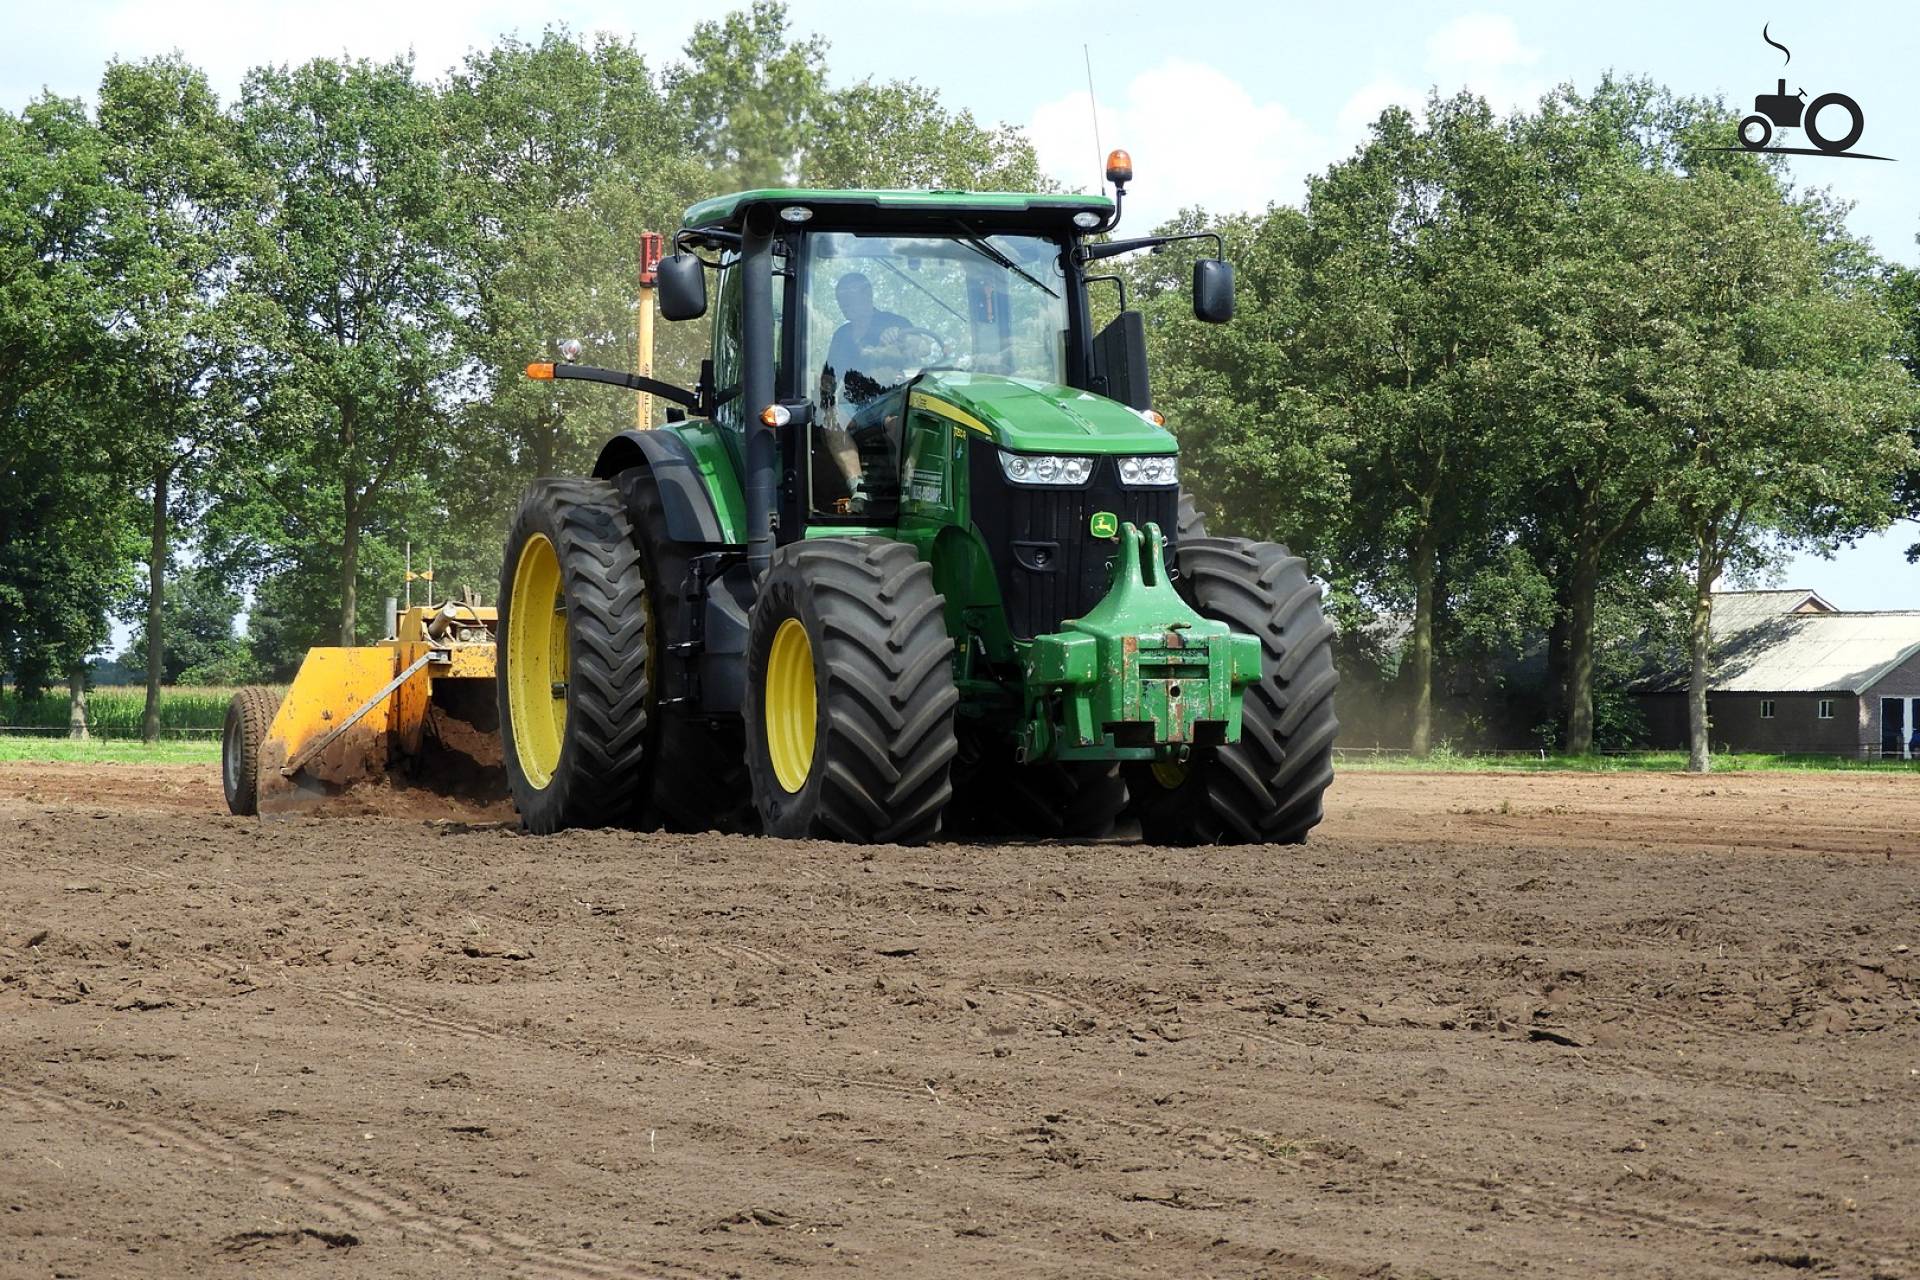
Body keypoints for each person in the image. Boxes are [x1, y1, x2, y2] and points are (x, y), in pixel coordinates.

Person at [815, 272, 917, 510]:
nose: (845, 305)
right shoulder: (841, 335)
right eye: (842, 300)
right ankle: (858, 491)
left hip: (892, 398)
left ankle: (907, 491)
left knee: (898, 424)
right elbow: (830, 374)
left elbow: (918, 351)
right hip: (857, 403)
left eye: (851, 298)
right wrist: (827, 403)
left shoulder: (895, 323)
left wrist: (899, 341)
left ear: (868, 295)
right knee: (831, 424)